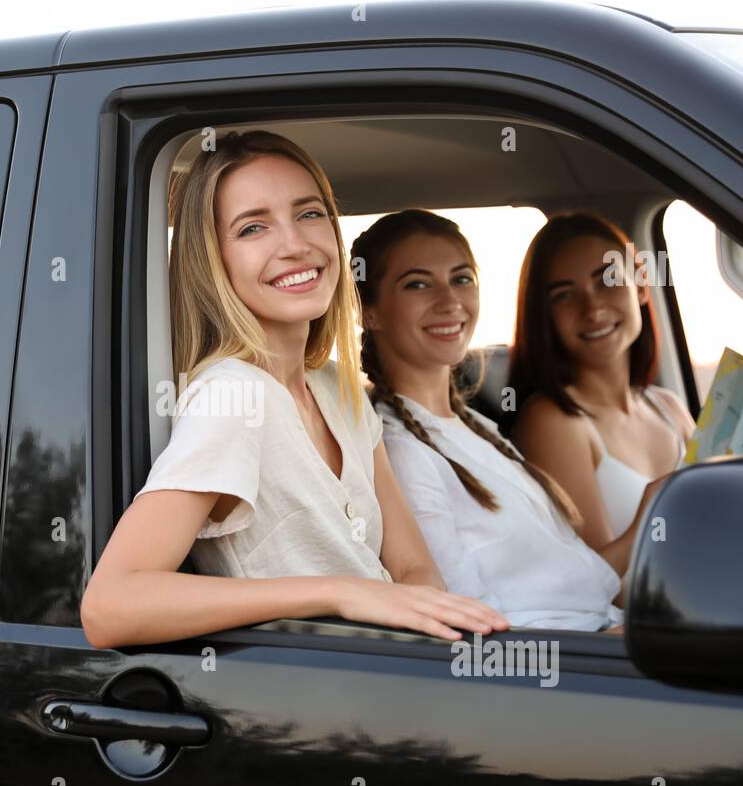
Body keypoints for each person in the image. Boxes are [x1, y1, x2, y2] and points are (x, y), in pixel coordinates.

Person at [80, 131, 508, 649]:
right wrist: (338, 594)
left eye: (309, 214)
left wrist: (411, 622)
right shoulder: (233, 398)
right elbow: (111, 607)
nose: (295, 244)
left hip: (397, 677)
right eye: (253, 227)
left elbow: (415, 566)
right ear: (213, 260)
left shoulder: (337, 389)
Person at [354, 209, 622, 632]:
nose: (450, 302)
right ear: (370, 313)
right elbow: (472, 620)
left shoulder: (482, 430)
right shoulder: (400, 452)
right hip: (561, 661)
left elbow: (582, 579)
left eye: (461, 279)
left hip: (604, 631)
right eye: (418, 284)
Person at [509, 213, 695, 562]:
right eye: (564, 295)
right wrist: (658, 512)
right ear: (545, 315)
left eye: (608, 280)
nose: (592, 308)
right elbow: (596, 587)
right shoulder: (555, 421)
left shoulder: (668, 407)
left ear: (640, 286)